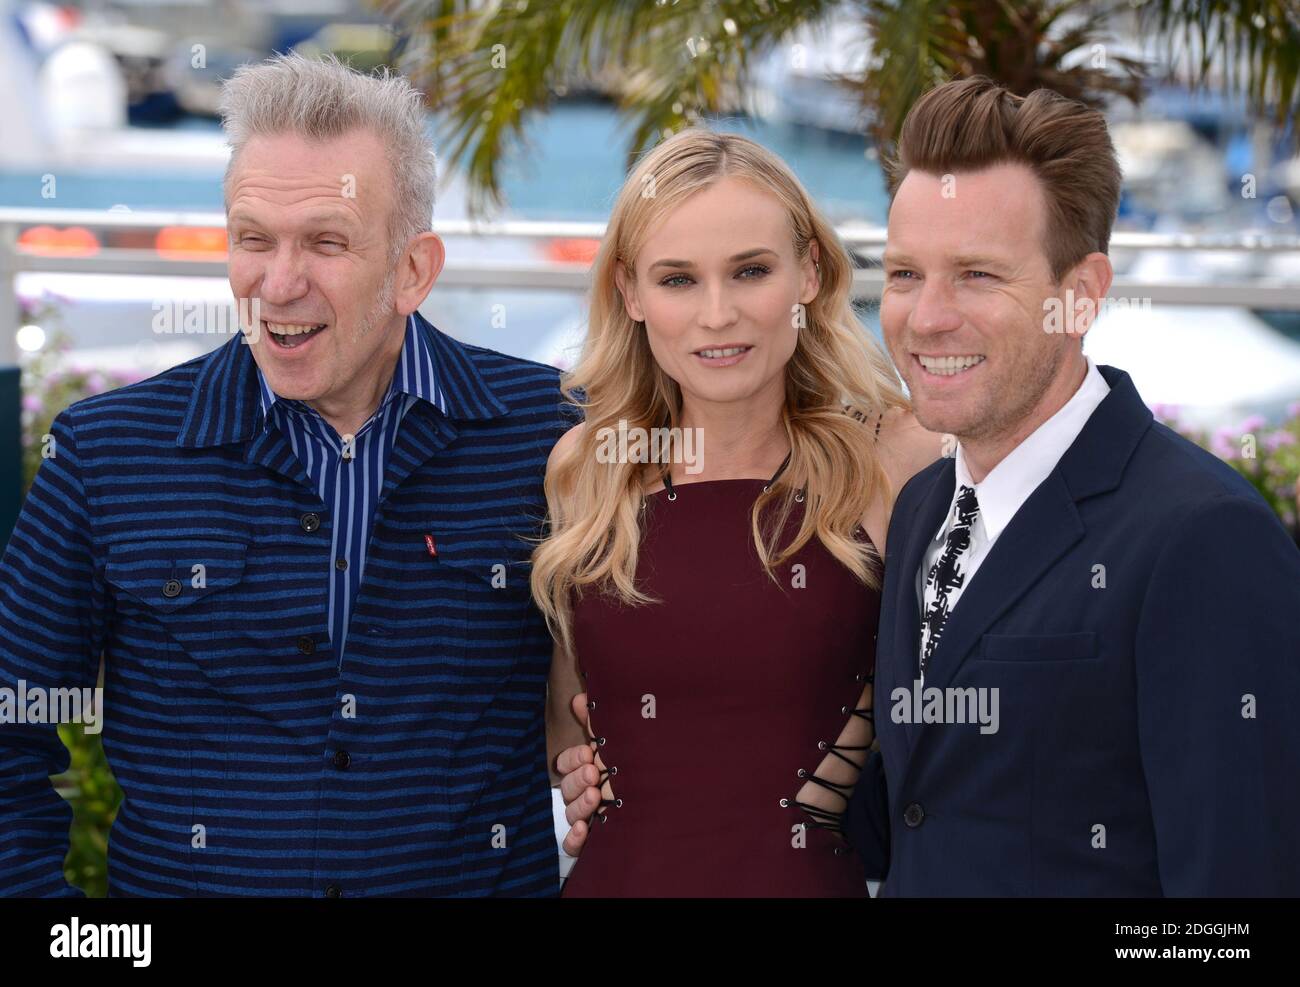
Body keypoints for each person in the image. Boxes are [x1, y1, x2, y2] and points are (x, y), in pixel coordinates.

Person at [558, 77, 1300, 897]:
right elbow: (920, 803)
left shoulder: (1203, 536)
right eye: (907, 273)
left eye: (978, 274)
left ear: (1082, 294)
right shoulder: (928, 509)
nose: (928, 316)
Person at [0, 53, 572, 897]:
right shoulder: (105, 453)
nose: (277, 284)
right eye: (253, 239)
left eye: (326, 242)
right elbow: (11, 730)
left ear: (413, 270)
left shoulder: (551, 436)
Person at [537, 128, 942, 896]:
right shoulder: (588, 465)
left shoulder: (893, 457)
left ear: (809, 272)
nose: (717, 314)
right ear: (630, 293)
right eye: (678, 279)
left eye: (750, 271)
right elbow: (566, 729)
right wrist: (578, 772)